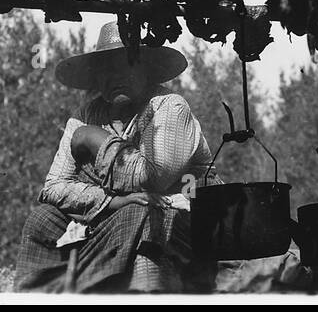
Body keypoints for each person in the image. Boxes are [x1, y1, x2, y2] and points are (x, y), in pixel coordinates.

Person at [14, 21, 215, 292]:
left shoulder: (169, 106)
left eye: (126, 64)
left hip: (182, 214)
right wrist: (112, 201)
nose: (114, 76)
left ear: (146, 70)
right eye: (105, 69)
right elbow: (53, 187)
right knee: (43, 219)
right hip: (112, 213)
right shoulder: (85, 115)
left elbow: (152, 178)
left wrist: (95, 139)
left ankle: (139, 291)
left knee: (142, 212)